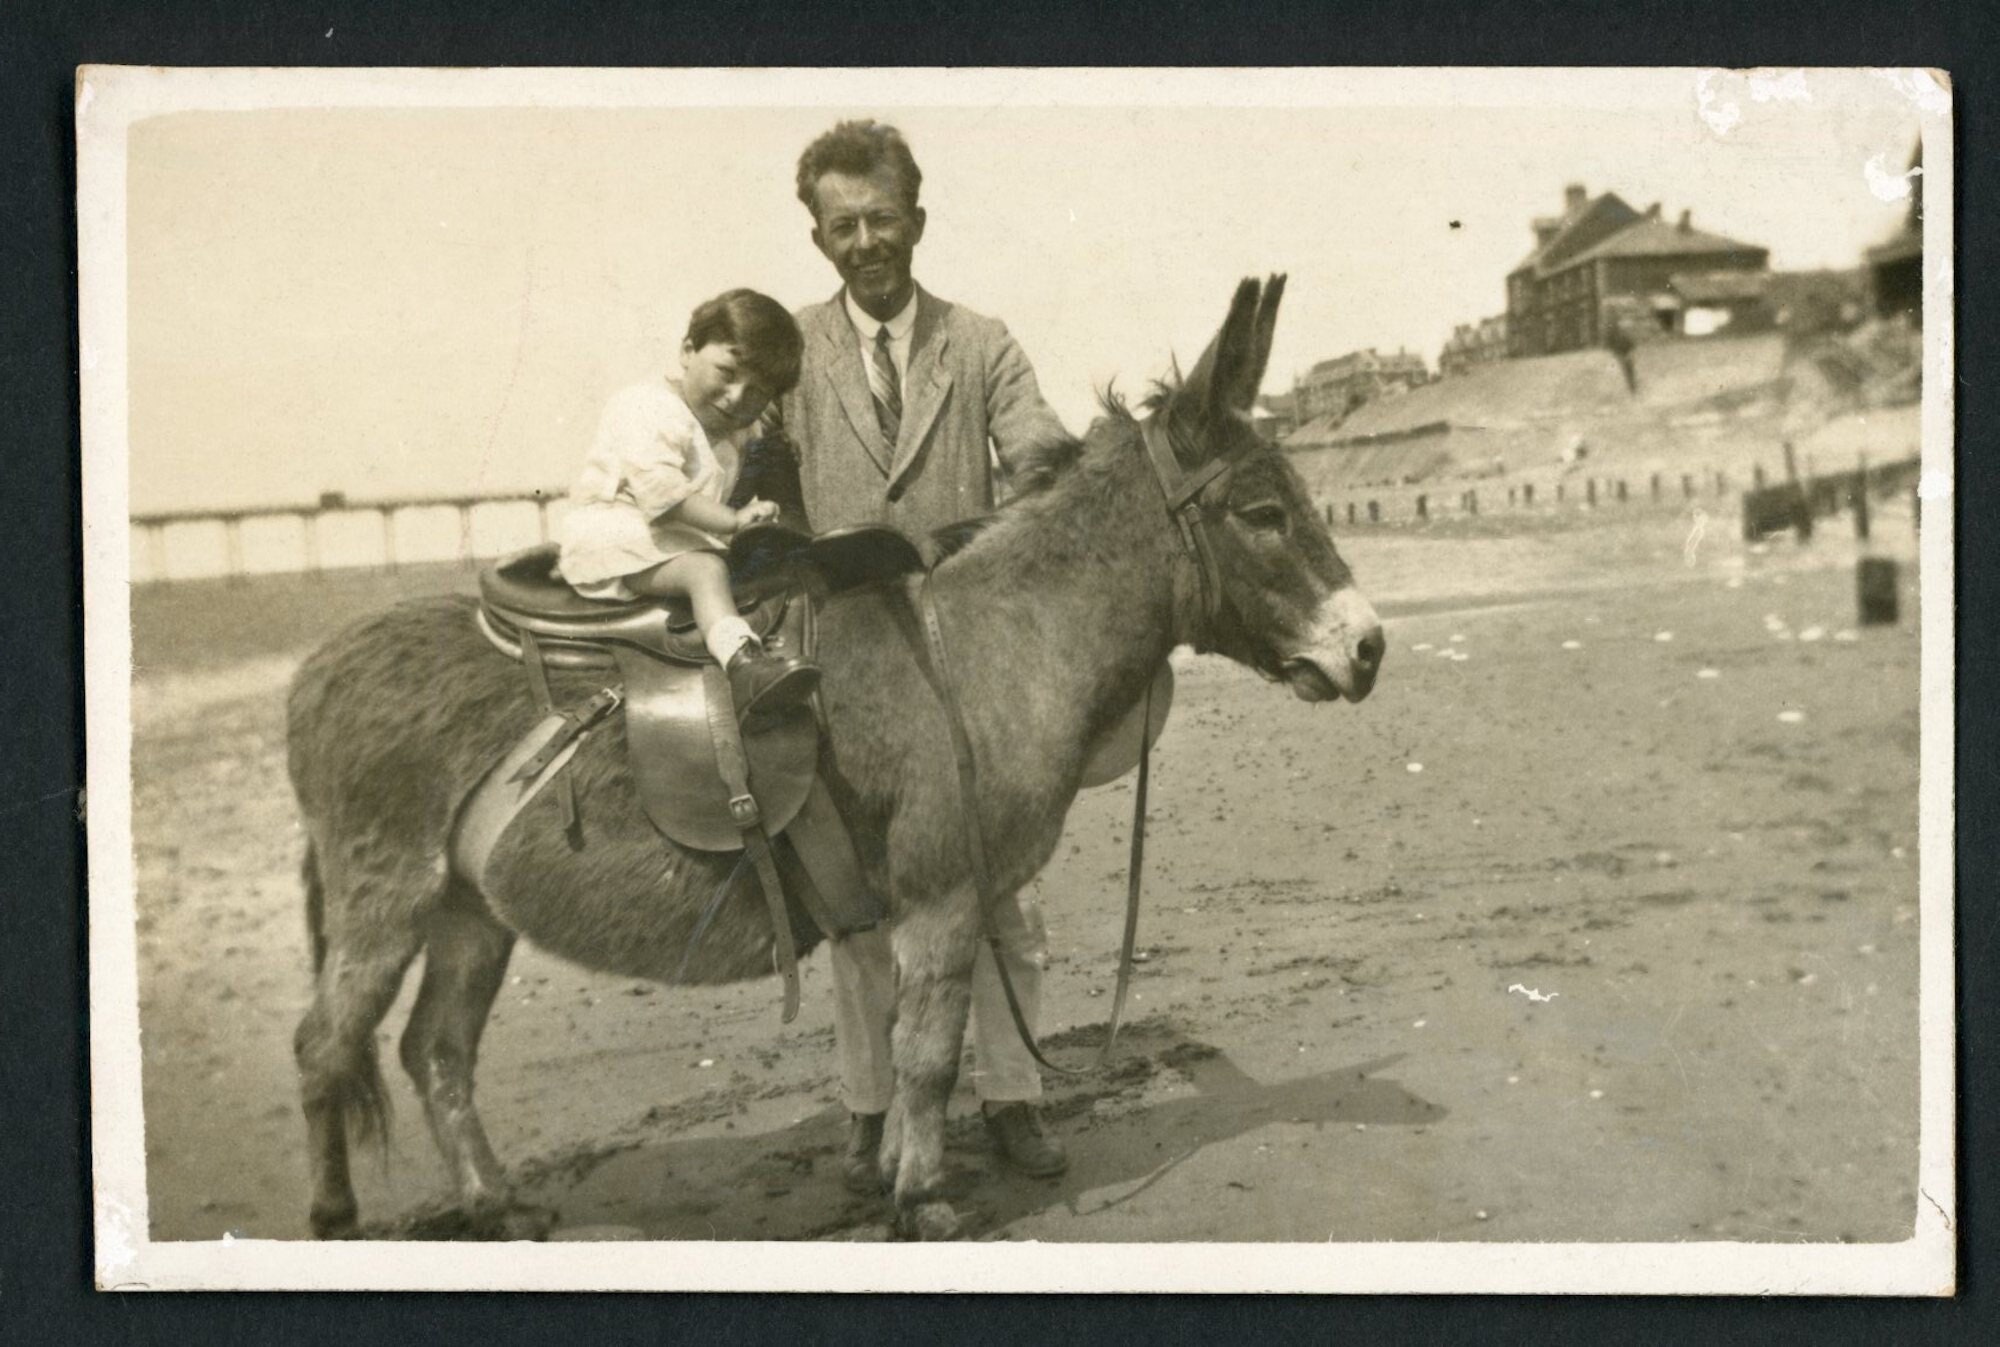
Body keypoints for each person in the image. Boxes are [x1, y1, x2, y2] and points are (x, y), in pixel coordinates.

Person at [776, 118, 1073, 1190]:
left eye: (883, 219)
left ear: (917, 221)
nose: (866, 242)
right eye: (843, 225)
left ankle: (1013, 1097)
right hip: (845, 678)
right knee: (861, 915)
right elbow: (741, 480)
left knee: (1002, 901)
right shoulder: (788, 351)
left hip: (970, 676)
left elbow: (1042, 460)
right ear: (818, 238)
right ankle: (869, 1111)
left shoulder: (980, 343)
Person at [557, 288, 818, 722]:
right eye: (727, 372)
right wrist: (733, 520)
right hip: (617, 535)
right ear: (687, 351)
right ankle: (743, 665)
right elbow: (664, 496)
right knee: (705, 571)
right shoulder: (650, 408)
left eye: (757, 392)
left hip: (661, 538)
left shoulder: (732, 430)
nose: (736, 397)